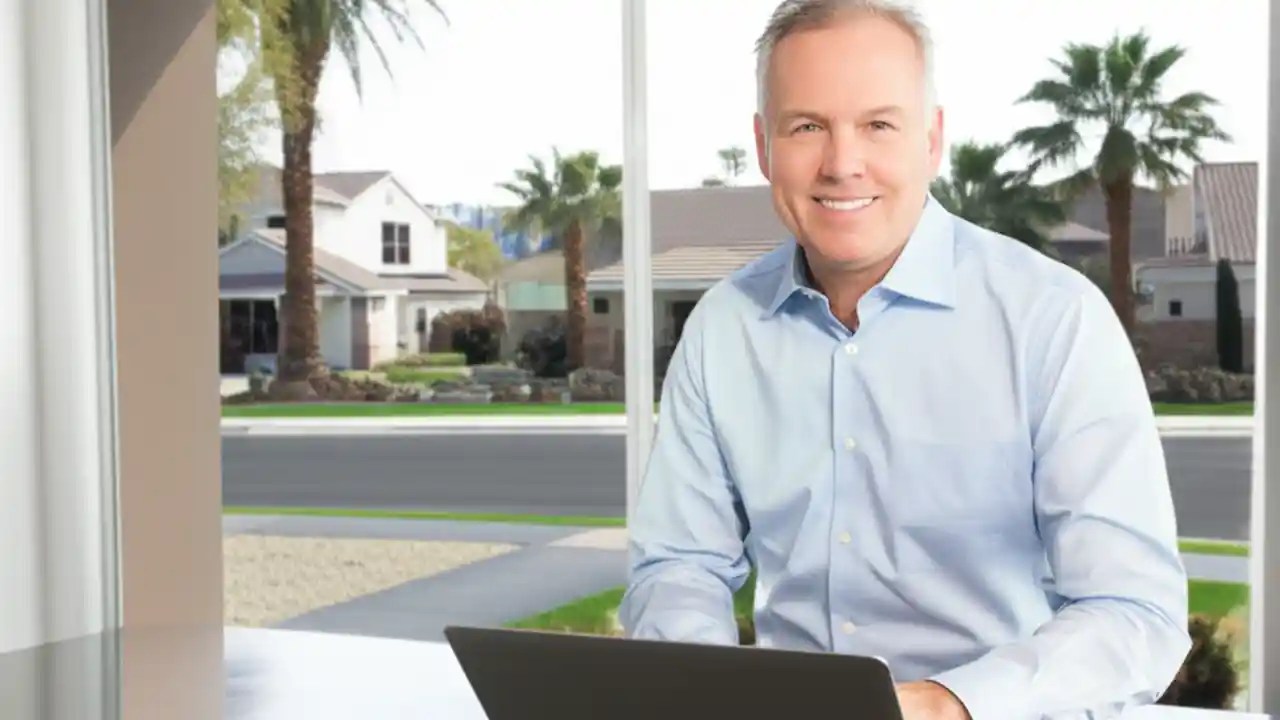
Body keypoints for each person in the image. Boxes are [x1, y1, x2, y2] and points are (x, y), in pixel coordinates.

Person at [617, 1, 1192, 718]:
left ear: (933, 139)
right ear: (764, 146)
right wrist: (709, 692)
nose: (842, 163)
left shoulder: (1055, 320)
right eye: (807, 127)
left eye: (878, 125)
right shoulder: (721, 330)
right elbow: (679, 566)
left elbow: (1134, 611)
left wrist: (945, 704)